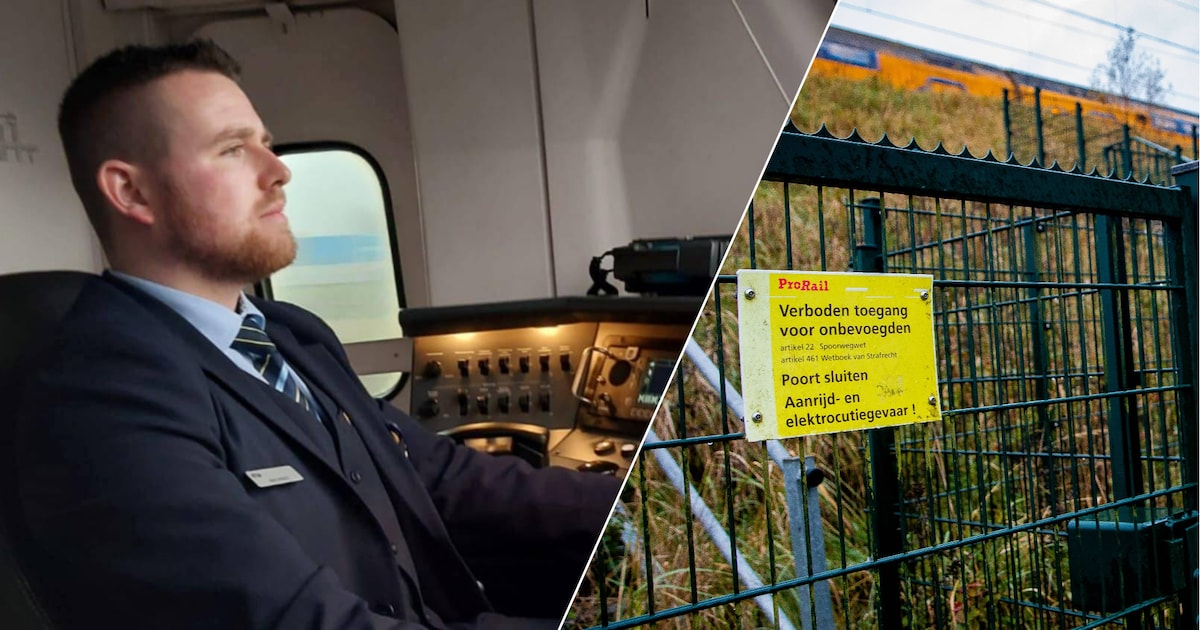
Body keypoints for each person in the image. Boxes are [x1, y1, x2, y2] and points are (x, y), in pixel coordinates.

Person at [14, 40, 621, 629]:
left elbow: (436, 476)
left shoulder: (289, 335)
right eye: (233, 150)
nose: (278, 171)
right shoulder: (100, 399)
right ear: (132, 192)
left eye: (266, 144)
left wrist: (632, 502)